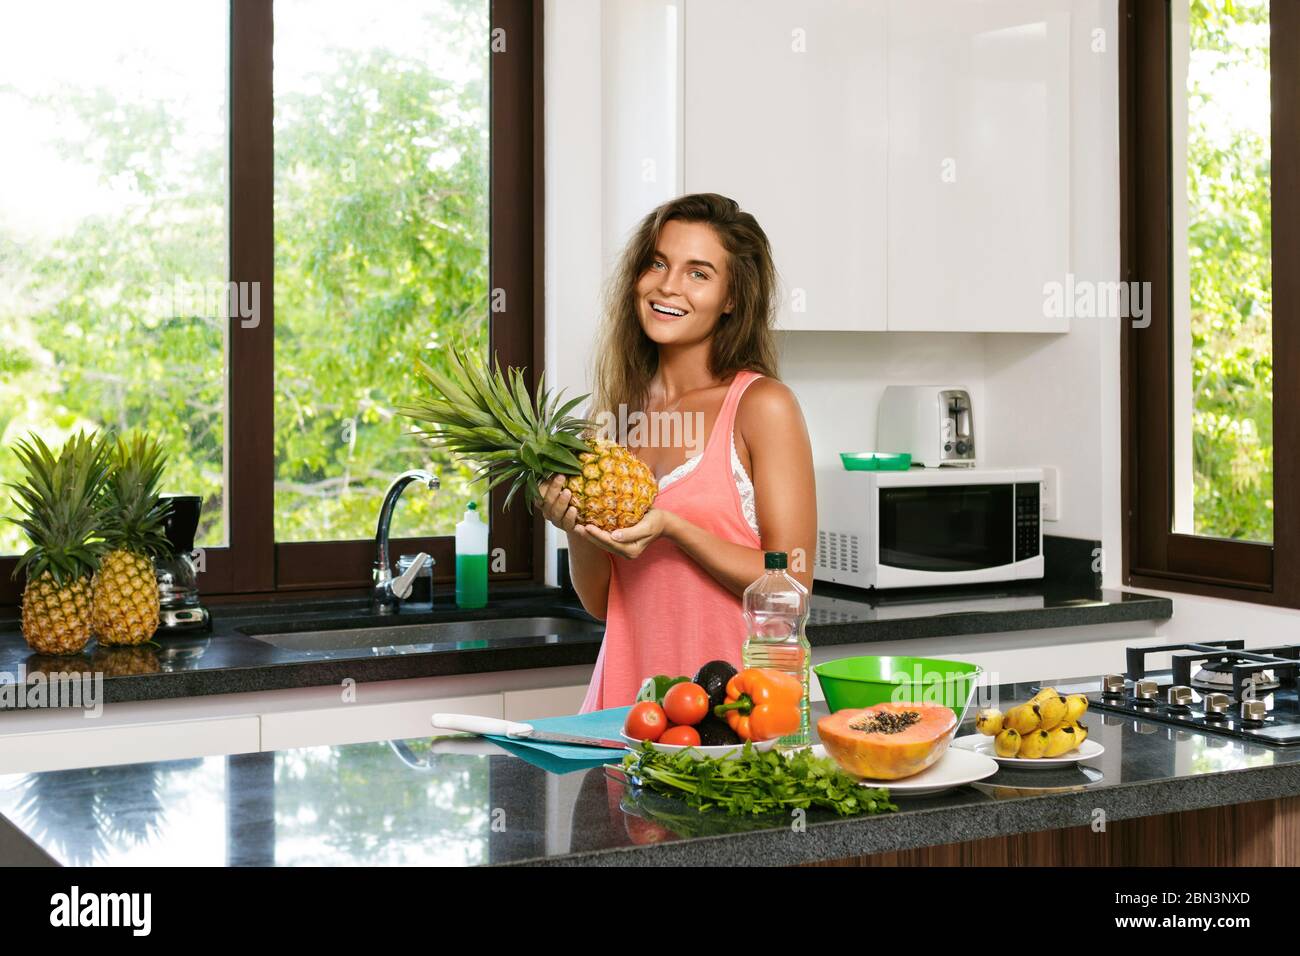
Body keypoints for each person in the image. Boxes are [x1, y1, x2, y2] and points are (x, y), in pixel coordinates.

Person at [538, 193, 817, 712]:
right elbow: (603, 604)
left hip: (734, 713)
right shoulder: (615, 417)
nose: (668, 286)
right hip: (627, 708)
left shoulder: (761, 406)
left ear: (732, 298)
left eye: (698, 273)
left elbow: (792, 582)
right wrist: (574, 528)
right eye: (659, 263)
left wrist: (676, 528)